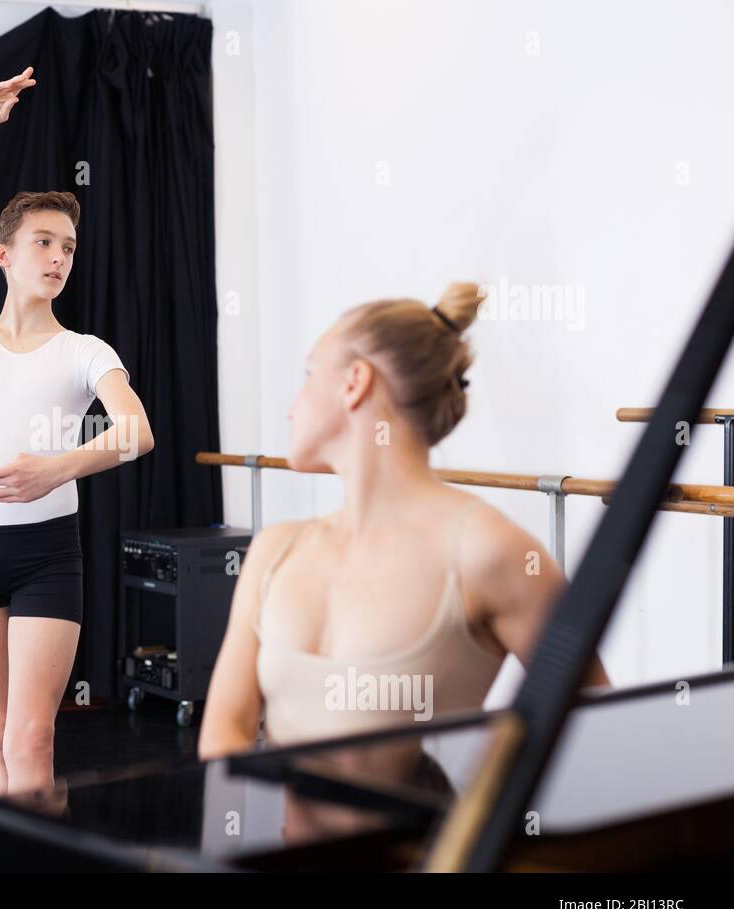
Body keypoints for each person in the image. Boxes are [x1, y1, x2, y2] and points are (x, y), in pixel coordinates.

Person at [198, 282, 611, 760]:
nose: (292, 405)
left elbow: (600, 728)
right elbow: (223, 732)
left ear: (355, 382)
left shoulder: (491, 552)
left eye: (308, 373)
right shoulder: (276, 550)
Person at [0, 66, 155, 798]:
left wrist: (59, 468)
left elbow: (136, 431)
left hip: (48, 554)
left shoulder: (86, 350)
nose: (59, 257)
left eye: (68, 247)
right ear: (4, 254)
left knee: (32, 735)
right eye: (44, 242)